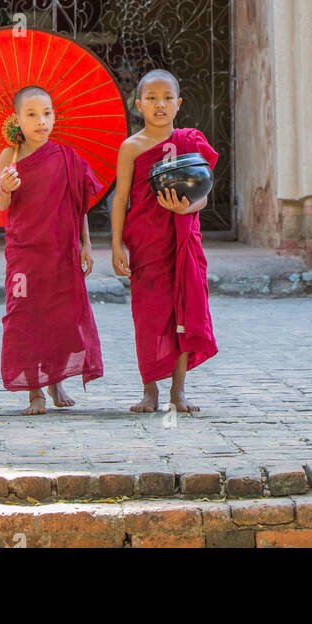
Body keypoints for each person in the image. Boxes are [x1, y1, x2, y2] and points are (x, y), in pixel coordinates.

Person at [111, 68, 218, 413]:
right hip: (147, 241)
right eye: (152, 98)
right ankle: (149, 390)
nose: (160, 105)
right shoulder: (130, 147)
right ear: (138, 104)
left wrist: (188, 209)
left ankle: (178, 391)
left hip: (184, 238)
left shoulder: (190, 140)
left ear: (178, 104)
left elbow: (204, 191)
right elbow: (121, 197)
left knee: (186, 309)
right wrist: (116, 245)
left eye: (168, 98)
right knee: (150, 315)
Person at [0, 85, 103, 414]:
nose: (41, 121)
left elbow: (79, 205)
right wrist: (5, 186)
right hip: (25, 252)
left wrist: (86, 244)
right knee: (25, 317)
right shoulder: (8, 157)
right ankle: (35, 392)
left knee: (60, 317)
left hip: (61, 249)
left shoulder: (66, 156)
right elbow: (1, 205)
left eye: (47, 113)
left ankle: (56, 382)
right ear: (17, 119)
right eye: (32, 115)